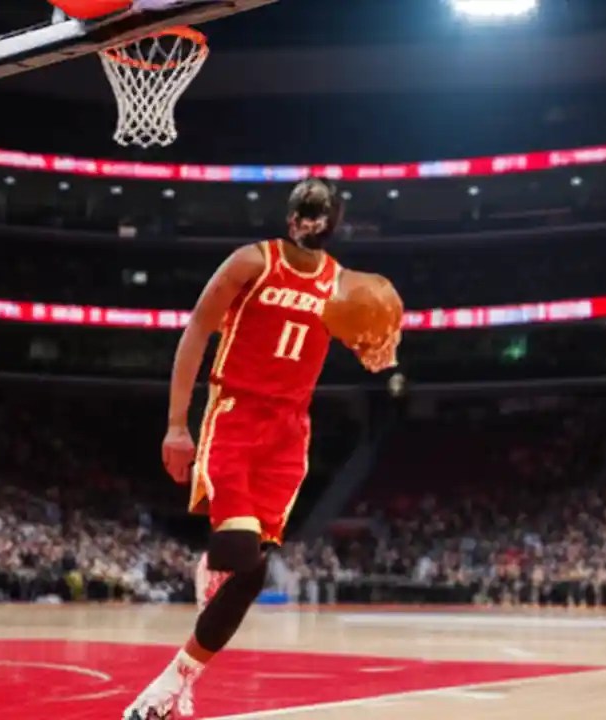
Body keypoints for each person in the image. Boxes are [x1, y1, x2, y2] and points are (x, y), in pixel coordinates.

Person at [123, 178, 398, 720]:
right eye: (308, 211)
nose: (313, 221)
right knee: (245, 566)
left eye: (322, 213)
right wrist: (177, 425)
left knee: (246, 573)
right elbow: (197, 329)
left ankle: (179, 681)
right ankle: (172, 677)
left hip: (289, 433)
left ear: (333, 223)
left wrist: (381, 340)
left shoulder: (343, 285)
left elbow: (375, 347)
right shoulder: (252, 262)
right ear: (293, 216)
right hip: (235, 415)